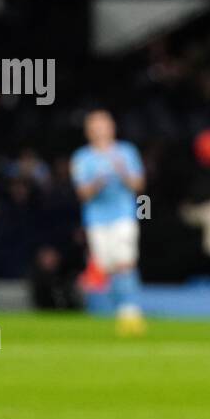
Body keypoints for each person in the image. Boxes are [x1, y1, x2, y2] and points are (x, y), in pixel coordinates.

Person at [70, 110, 146, 335]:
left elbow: (139, 186)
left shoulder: (126, 152)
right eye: (96, 126)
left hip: (123, 215)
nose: (101, 129)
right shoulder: (82, 158)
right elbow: (82, 193)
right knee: (107, 268)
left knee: (126, 262)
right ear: (89, 131)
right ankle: (122, 311)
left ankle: (131, 313)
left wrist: (121, 171)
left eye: (104, 124)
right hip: (96, 220)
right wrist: (98, 183)